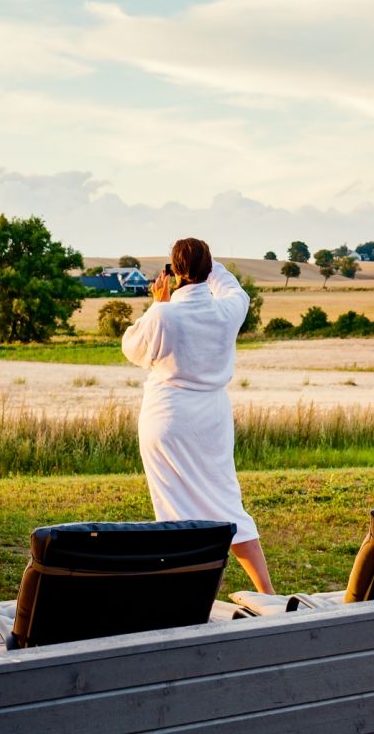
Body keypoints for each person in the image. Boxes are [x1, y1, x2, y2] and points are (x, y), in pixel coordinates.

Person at [121, 237, 273, 594]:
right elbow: (234, 289)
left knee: (175, 509)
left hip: (167, 418)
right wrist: (209, 265)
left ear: (174, 270)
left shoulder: (163, 314)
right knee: (227, 501)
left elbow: (132, 348)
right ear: (208, 269)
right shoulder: (228, 310)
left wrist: (158, 303)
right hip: (213, 421)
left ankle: (189, 592)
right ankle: (267, 592)